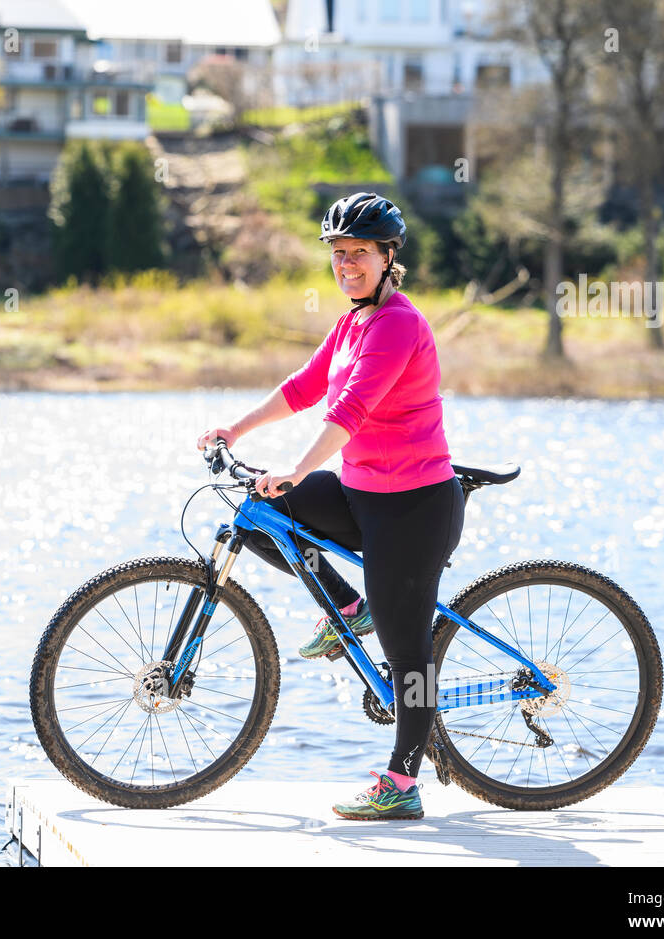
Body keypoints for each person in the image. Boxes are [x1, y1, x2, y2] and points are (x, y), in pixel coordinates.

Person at [196, 192, 464, 821]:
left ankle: (403, 782)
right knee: (258, 516)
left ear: (388, 257)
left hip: (415, 506)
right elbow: (305, 387)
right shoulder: (351, 322)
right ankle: (348, 605)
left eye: (360, 254)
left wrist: (296, 469)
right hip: (361, 491)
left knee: (408, 656)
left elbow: (351, 410)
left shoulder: (398, 323)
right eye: (339, 255)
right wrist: (235, 430)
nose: (347, 265)